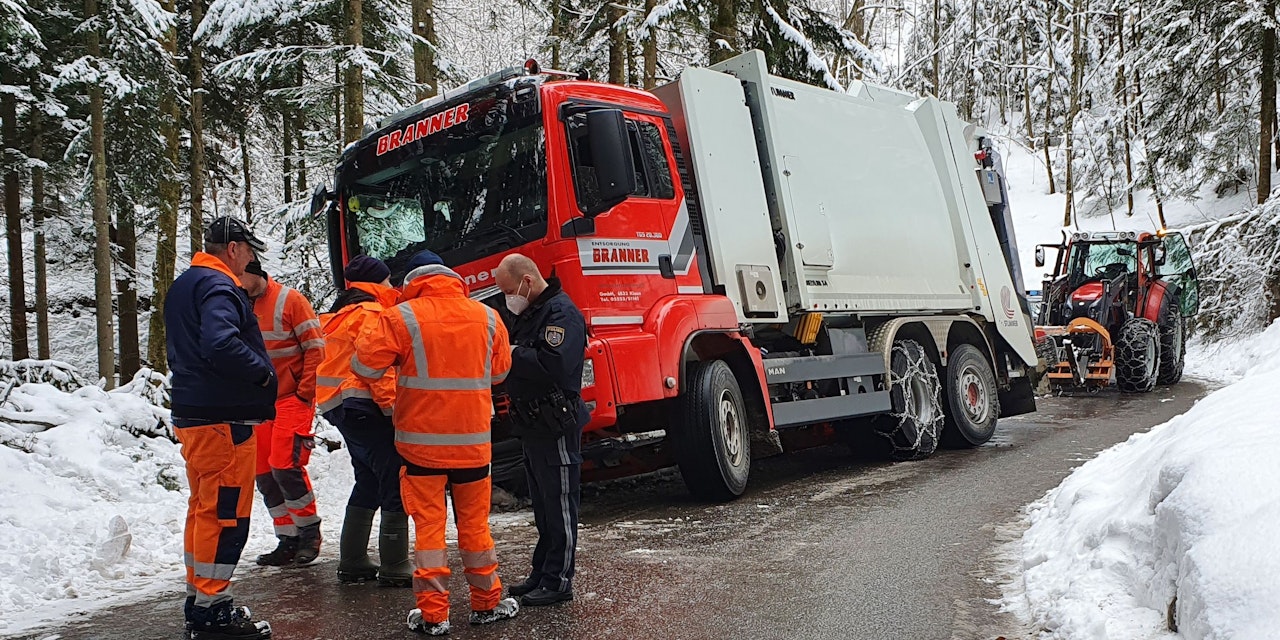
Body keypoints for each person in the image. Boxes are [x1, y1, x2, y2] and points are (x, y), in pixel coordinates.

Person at [353, 250, 520, 636]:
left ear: (413, 281)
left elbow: (364, 366)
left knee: (429, 530)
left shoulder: (401, 317)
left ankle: (434, 615)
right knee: (475, 528)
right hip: (473, 444)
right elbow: (499, 374)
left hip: (421, 448)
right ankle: (486, 604)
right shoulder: (487, 316)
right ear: (452, 278)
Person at [165, 216, 274, 639]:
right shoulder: (218, 285)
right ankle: (212, 609)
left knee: (204, 509)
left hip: (196, 414)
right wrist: (262, 374)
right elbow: (220, 341)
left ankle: (201, 599)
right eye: (249, 250)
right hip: (223, 418)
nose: (251, 259)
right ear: (233, 248)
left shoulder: (185, 284)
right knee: (226, 513)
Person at [493, 253, 588, 607]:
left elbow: (554, 363)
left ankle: (559, 579)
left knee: (560, 503)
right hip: (533, 423)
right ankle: (542, 571)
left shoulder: (561, 314)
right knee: (544, 506)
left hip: (555, 422)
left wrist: (512, 353)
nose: (508, 299)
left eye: (508, 290)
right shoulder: (532, 313)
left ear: (527, 281)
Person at [314, 255, 413, 586]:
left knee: (368, 479)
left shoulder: (338, 316)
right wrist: (394, 411)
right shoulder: (373, 314)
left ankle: (354, 559)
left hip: (341, 408)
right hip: (366, 405)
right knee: (394, 475)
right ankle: (395, 565)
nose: (391, 287)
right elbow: (379, 368)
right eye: (386, 281)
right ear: (374, 284)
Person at [240, 261, 326, 566]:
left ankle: (308, 533)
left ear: (257, 273)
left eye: (240, 275)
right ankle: (287, 539)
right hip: (259, 403)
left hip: (292, 398)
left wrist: (305, 392)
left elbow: (316, 348)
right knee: (263, 473)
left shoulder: (291, 300)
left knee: (284, 466)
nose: (237, 280)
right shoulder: (235, 302)